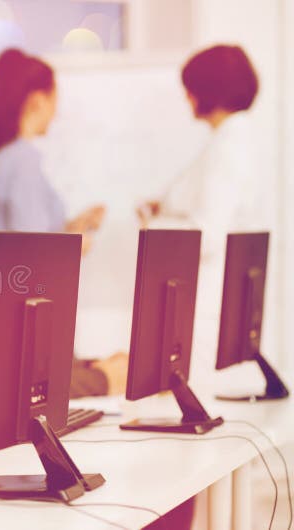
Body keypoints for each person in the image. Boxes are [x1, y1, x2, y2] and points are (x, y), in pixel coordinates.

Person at [136, 44, 264, 391]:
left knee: (195, 403)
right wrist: (163, 209)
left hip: (207, 302)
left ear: (206, 92)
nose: (188, 99)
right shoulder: (231, 139)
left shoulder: (228, 147)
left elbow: (207, 233)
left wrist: (154, 227)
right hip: (212, 297)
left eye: (190, 90)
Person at [0, 48, 105, 253]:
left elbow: (24, 235)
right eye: (54, 100)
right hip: (19, 283)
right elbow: (32, 251)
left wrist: (73, 227)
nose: (56, 112)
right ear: (37, 100)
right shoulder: (23, 160)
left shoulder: (4, 156)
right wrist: (76, 246)